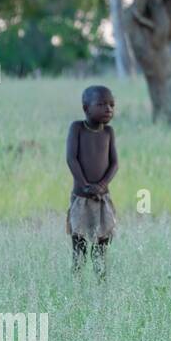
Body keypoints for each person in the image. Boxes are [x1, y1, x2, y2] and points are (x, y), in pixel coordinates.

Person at [66, 85, 118, 279]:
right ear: (86, 108)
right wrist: (85, 184)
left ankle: (100, 283)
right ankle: (77, 283)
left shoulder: (109, 132)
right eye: (102, 104)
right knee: (79, 246)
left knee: (102, 247)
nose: (108, 109)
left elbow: (115, 163)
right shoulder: (77, 128)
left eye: (112, 105)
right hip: (81, 197)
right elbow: (71, 159)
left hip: (102, 199)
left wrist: (102, 185)